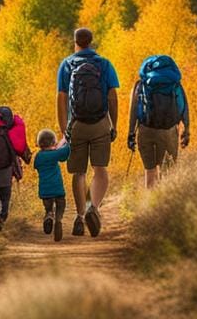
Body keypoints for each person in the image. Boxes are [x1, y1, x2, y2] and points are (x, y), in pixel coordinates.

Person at [56, 27, 119, 237]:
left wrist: (64, 129)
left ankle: (80, 217)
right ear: (91, 42)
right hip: (100, 122)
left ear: (75, 42)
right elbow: (112, 96)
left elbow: (62, 98)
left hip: (77, 124)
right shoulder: (104, 64)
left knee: (79, 172)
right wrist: (113, 124)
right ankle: (94, 206)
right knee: (100, 169)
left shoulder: (66, 65)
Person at [126, 54, 190, 189]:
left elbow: (133, 111)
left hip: (146, 130)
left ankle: (149, 204)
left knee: (149, 170)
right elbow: (183, 106)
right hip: (169, 131)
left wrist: (131, 133)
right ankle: (163, 203)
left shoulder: (140, 85)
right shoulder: (175, 84)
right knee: (167, 171)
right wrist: (186, 130)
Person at [0, 106, 30, 231]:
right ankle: (2, 218)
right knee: (5, 201)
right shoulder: (9, 136)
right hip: (6, 174)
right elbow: (20, 150)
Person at [32, 129, 71, 242]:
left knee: (48, 207)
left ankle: (49, 215)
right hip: (58, 189)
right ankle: (58, 220)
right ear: (53, 142)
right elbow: (65, 153)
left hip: (45, 191)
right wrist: (67, 141)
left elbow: (36, 165)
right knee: (61, 204)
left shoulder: (39, 157)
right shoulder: (54, 155)